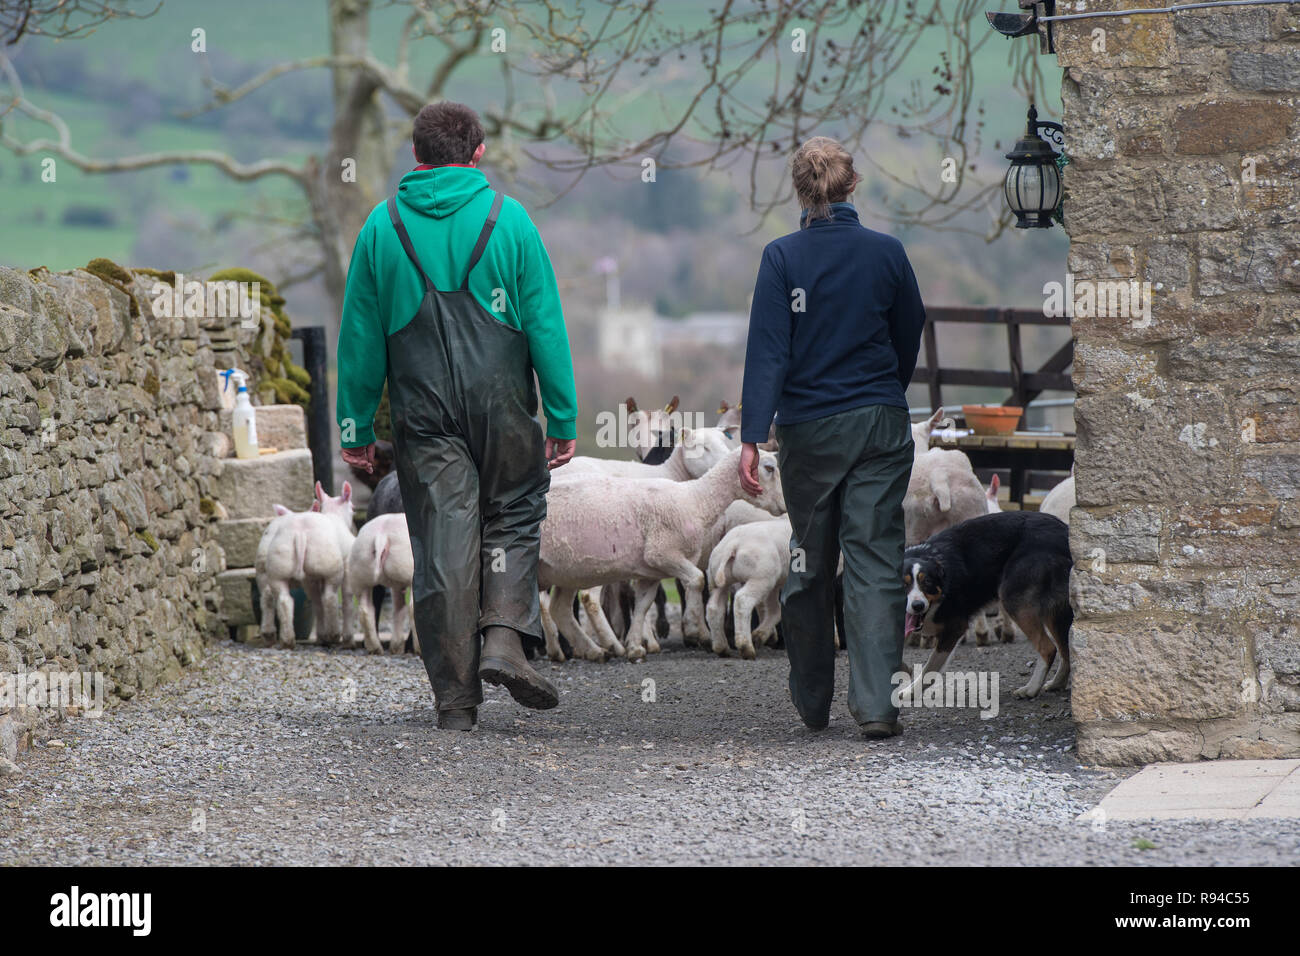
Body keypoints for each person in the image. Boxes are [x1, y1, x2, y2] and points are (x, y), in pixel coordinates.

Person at [336, 102, 578, 731]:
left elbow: (359, 338)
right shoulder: (511, 220)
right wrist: (562, 414)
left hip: (425, 414)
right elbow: (544, 324)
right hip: (503, 407)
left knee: (443, 544)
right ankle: (502, 636)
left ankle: (455, 699)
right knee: (515, 508)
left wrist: (355, 430)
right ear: (477, 154)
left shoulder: (381, 228)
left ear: (417, 157)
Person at [738, 136, 926, 740]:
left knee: (808, 557)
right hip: (878, 420)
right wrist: (885, 389)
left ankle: (812, 699)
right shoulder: (887, 253)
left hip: (809, 429)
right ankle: (877, 706)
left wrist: (748, 437)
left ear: (800, 190)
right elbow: (909, 328)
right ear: (852, 186)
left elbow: (769, 350)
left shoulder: (781, 258)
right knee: (873, 558)